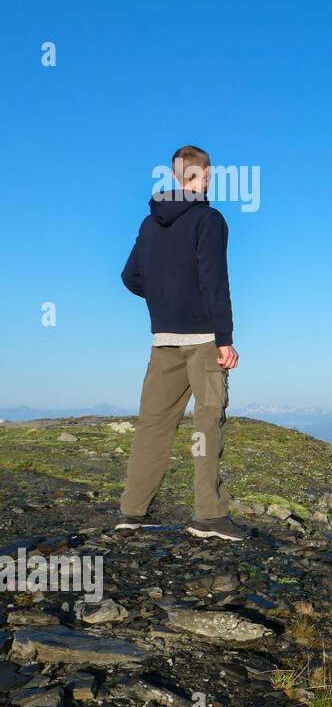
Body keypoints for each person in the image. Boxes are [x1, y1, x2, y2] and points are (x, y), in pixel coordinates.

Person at [117, 145, 245, 541]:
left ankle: (131, 514)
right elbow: (214, 281)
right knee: (207, 423)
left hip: (163, 339)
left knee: (153, 424)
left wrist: (165, 299)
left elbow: (130, 277)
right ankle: (209, 517)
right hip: (204, 339)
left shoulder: (149, 223)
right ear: (205, 174)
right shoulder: (209, 219)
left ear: (175, 177)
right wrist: (225, 339)